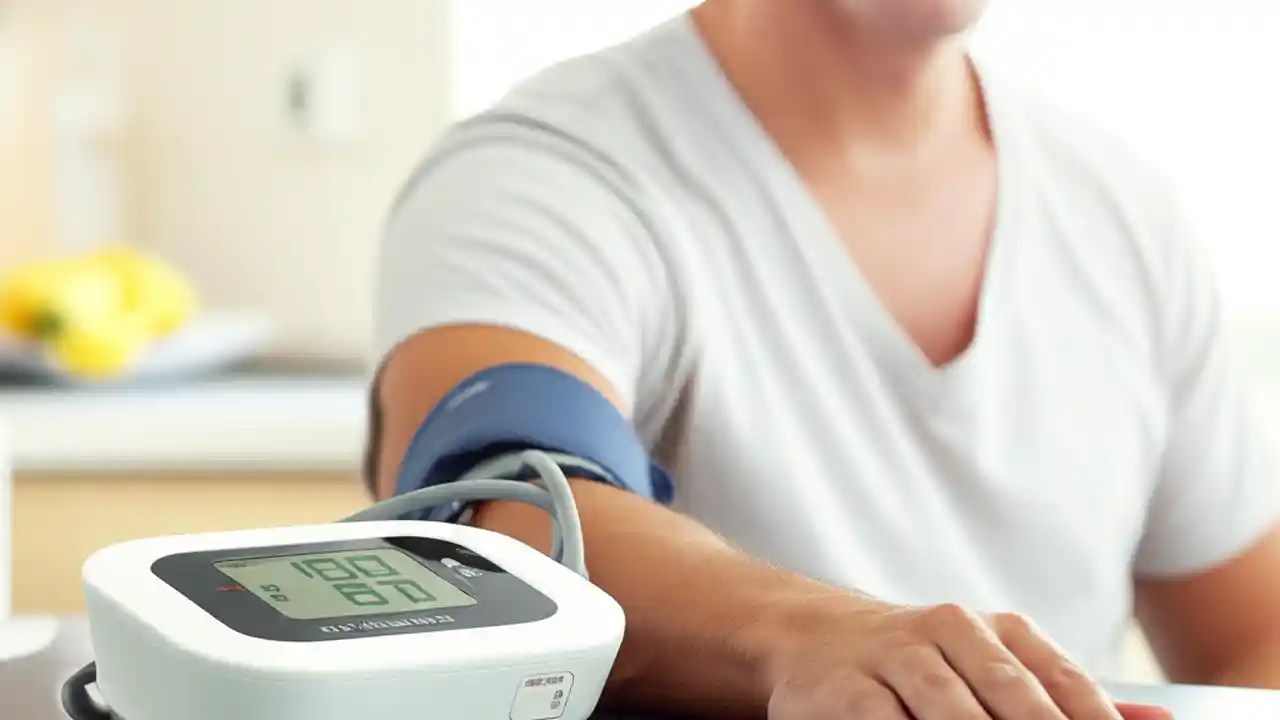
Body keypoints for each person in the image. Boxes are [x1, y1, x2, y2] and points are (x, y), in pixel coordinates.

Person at [369, 0, 1280, 717]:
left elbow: (1251, 636)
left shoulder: (1124, 215)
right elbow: (496, 512)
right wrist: (808, 637)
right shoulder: (542, 175)